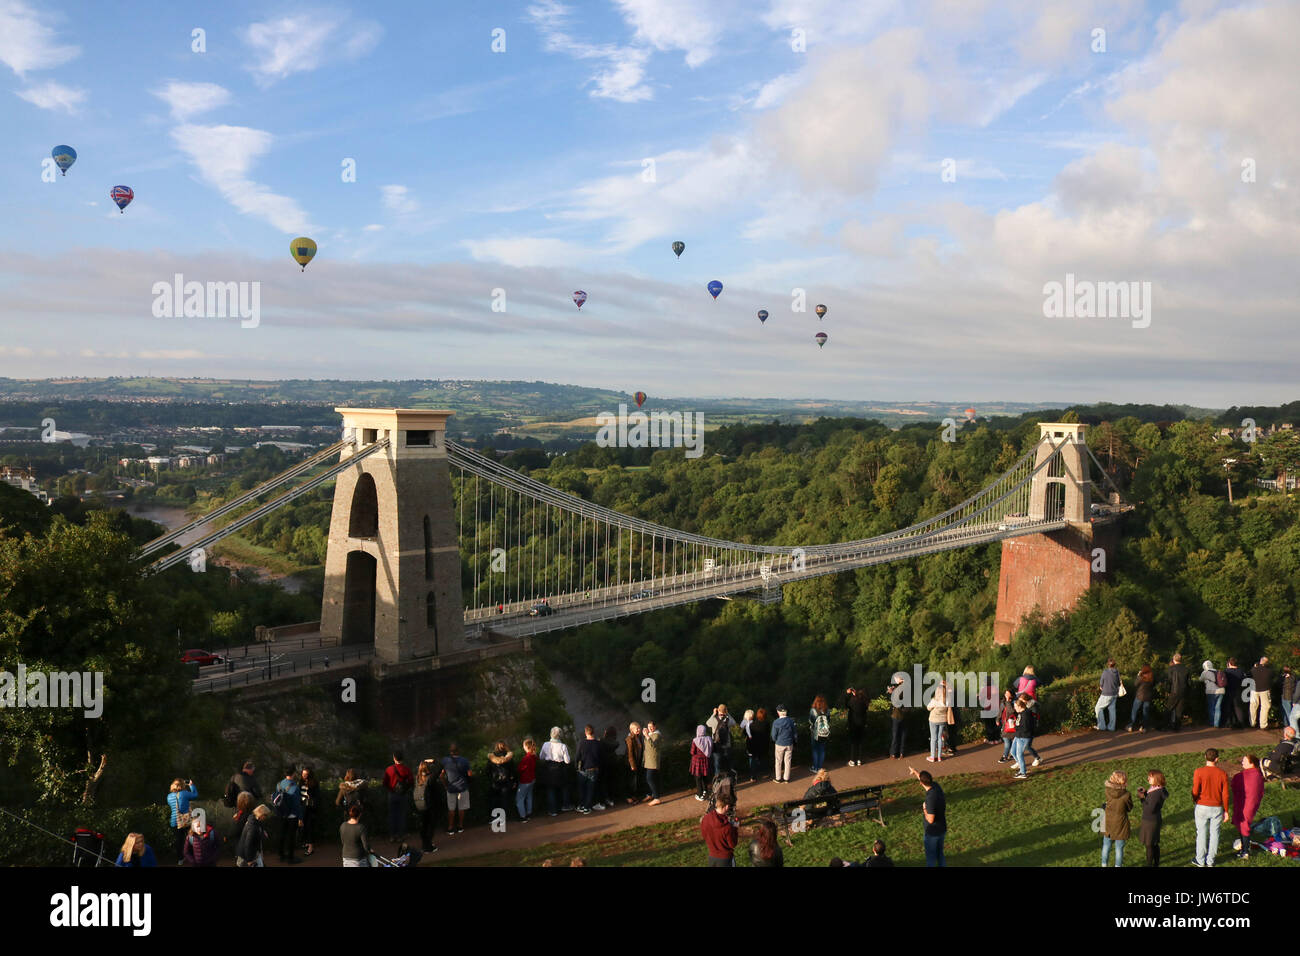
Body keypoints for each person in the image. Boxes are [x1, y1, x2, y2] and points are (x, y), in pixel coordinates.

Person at [1191, 748, 1231, 867]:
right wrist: (1226, 810)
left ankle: (1200, 860)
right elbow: (1225, 794)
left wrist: (1195, 800)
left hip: (1201, 806)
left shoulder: (1198, 771)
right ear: (1217, 759)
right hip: (1217, 807)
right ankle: (1210, 861)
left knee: (1201, 833)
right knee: (1215, 834)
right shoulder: (1222, 773)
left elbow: (1195, 790)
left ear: (1205, 757)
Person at [907, 766, 946, 867]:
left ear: (921, 783)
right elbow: (923, 779)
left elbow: (930, 819)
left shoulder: (930, 799)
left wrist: (924, 808)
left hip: (933, 832)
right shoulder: (936, 786)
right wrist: (915, 772)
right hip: (942, 828)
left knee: (931, 857)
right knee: (940, 854)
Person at [1230, 753, 1264, 859]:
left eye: (1245, 761)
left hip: (1246, 805)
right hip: (1250, 804)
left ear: (1252, 764)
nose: (1242, 762)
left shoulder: (1244, 776)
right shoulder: (1258, 775)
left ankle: (1245, 851)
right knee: (1243, 825)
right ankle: (1245, 847)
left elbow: (1234, 785)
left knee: (1244, 825)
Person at [1100, 770, 1132, 867]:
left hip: (1108, 822)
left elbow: (1108, 802)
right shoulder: (1127, 795)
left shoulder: (1107, 791)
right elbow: (1129, 808)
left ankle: (1104, 864)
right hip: (1121, 824)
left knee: (1106, 846)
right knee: (1119, 848)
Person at [439, 743, 472, 833]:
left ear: (450, 752)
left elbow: (441, 775)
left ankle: (450, 827)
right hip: (462, 787)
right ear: (458, 751)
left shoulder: (445, 761)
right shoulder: (464, 761)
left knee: (451, 809)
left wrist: (445, 785)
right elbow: (469, 774)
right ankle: (460, 826)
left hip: (451, 788)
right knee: (461, 808)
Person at [272, 767, 302, 863]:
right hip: (292, 815)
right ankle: (290, 857)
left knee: (281, 834)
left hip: (281, 814)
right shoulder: (295, 787)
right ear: (293, 774)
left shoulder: (279, 784)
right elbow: (297, 804)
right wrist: (300, 817)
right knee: (291, 836)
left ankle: (281, 855)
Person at [383, 750, 414, 843]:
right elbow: (411, 782)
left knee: (392, 815)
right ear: (402, 758)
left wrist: (391, 789)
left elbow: (385, 783)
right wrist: (405, 789)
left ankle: (392, 836)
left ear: (394, 758)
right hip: (402, 795)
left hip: (392, 794)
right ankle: (400, 835)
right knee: (401, 815)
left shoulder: (389, 769)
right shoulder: (406, 769)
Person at [1137, 770, 1166, 867]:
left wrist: (1142, 798)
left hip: (1150, 821)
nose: (1148, 778)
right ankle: (1156, 864)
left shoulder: (1156, 793)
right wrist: (1145, 794)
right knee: (1154, 843)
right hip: (1154, 820)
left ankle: (1150, 864)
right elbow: (1151, 803)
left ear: (1157, 779)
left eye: (1150, 777)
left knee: (1149, 845)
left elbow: (1149, 809)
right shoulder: (1156, 789)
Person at [166, 777, 198, 865]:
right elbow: (195, 795)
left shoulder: (169, 796)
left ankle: (180, 859)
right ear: (182, 785)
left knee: (179, 841)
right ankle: (193, 856)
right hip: (186, 821)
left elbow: (172, 806)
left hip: (175, 821)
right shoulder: (184, 793)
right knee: (191, 837)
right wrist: (191, 785)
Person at [539, 727, 571, 817]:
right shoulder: (563, 746)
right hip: (560, 769)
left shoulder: (545, 744)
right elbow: (567, 761)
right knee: (564, 787)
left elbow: (541, 757)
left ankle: (553, 811)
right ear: (560, 735)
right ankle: (565, 806)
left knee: (550, 790)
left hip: (549, 769)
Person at [700, 793, 739, 867]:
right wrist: (735, 829)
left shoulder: (705, 819)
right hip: (725, 859)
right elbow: (732, 844)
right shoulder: (727, 827)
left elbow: (704, 835)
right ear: (726, 807)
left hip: (712, 857)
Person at [413, 758, 440, 852]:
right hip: (430, 805)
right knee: (430, 826)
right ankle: (428, 846)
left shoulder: (417, 778)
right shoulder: (430, 779)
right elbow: (441, 767)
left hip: (420, 805)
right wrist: (433, 760)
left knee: (423, 826)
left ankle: (424, 844)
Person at [487, 740, 518, 817]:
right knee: (504, 800)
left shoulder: (492, 757)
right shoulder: (508, 757)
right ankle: (503, 816)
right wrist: (514, 781)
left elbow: (487, 770)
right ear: (505, 746)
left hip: (495, 782)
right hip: (506, 782)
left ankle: (494, 817)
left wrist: (491, 778)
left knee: (494, 800)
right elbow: (513, 770)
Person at [576, 725, 601, 813]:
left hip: (583, 769)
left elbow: (577, 756)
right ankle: (587, 807)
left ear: (585, 732)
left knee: (582, 789)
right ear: (593, 732)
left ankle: (581, 805)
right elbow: (600, 757)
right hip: (593, 769)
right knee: (590, 789)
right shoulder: (598, 743)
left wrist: (577, 767)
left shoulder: (581, 743)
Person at [706, 704, 736, 779]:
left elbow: (707, 723)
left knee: (717, 765)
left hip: (717, 746)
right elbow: (734, 723)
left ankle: (718, 781)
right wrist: (727, 713)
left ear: (718, 710)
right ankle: (729, 781)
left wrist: (713, 713)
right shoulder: (728, 720)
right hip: (727, 745)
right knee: (728, 765)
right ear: (726, 711)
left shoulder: (714, 719)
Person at [339, 803, 372, 867]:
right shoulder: (361, 828)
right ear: (360, 814)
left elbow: (343, 841)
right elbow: (366, 847)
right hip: (359, 858)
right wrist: (370, 850)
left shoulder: (343, 825)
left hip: (346, 857)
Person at [298, 766, 320, 857]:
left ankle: (311, 847)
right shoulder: (300, 782)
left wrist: (310, 799)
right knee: (303, 826)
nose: (304, 776)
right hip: (302, 807)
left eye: (306, 774)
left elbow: (317, 796)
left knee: (310, 826)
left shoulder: (314, 783)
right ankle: (307, 842)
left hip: (310, 808)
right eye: (303, 774)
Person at [771, 705, 797, 782]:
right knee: (788, 761)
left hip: (779, 743)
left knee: (778, 761)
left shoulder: (776, 722)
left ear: (778, 712)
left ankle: (778, 778)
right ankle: (786, 778)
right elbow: (795, 733)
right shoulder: (791, 721)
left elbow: (773, 735)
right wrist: (795, 741)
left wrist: (775, 740)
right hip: (789, 743)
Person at [1164, 653, 1189, 731]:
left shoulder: (1171, 668)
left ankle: (1165, 726)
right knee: (1179, 710)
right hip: (1183, 691)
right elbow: (1189, 682)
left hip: (1174, 691)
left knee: (1168, 708)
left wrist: (1167, 691)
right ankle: (1177, 727)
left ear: (1174, 659)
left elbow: (1169, 681)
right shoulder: (1186, 669)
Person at [844, 688, 868, 765]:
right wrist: (856, 694)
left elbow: (845, 704)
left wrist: (848, 694)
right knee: (860, 742)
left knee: (853, 742)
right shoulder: (864, 702)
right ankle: (859, 759)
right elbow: (865, 700)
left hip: (853, 724)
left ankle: (852, 760)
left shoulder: (853, 701)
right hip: (862, 724)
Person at [1011, 697, 1034, 779]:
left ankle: (1023, 773)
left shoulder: (1026, 715)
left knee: (1019, 754)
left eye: (1015, 706)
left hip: (1023, 737)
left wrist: (1016, 727)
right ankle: (1022, 768)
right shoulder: (1020, 713)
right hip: (1018, 736)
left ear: (1020, 706)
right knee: (1013, 752)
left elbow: (1025, 728)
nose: (1014, 708)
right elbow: (1020, 724)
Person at [927, 681, 950, 763]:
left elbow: (928, 708)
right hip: (943, 720)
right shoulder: (947, 700)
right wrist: (945, 685)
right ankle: (939, 757)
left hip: (933, 720)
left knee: (933, 738)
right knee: (940, 738)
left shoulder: (934, 700)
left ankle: (933, 757)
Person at [596, 726, 619, 809]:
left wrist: (600, 739)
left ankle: (603, 800)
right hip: (613, 764)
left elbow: (601, 743)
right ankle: (611, 799)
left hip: (603, 764)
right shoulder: (615, 743)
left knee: (603, 783)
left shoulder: (602, 741)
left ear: (606, 732)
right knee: (611, 782)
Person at [1096, 659, 1121, 731]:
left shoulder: (1105, 672)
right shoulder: (1117, 672)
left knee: (1098, 708)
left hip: (1106, 694)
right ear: (1114, 664)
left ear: (1108, 664)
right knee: (1112, 710)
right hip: (1115, 694)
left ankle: (1101, 726)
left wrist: (1103, 688)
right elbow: (1119, 683)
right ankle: (1111, 727)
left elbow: (1101, 684)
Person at [1128, 665, 1154, 732]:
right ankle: (1144, 727)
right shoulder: (1151, 678)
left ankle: (1130, 725)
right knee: (1145, 712)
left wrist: (1138, 675)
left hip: (1139, 696)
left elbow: (1135, 684)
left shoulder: (1141, 677)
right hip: (1148, 697)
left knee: (1134, 711)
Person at [517, 738, 538, 820]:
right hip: (532, 779)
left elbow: (520, 769)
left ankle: (523, 816)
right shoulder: (533, 756)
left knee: (519, 799)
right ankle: (529, 813)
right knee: (529, 796)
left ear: (526, 746)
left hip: (525, 780)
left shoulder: (526, 758)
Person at [809, 694, 831, 773]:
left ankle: (815, 768)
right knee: (822, 750)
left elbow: (811, 721)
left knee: (815, 750)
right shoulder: (827, 710)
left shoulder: (813, 710)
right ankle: (820, 767)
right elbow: (828, 721)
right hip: (824, 733)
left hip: (815, 733)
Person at [1251, 657, 1274, 730]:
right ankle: (1263, 724)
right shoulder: (1269, 671)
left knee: (1253, 706)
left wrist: (1254, 667)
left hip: (1254, 689)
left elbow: (1249, 674)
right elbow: (1271, 679)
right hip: (1265, 689)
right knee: (1265, 706)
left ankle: (1252, 722)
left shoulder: (1254, 670)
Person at [642, 721, 663, 805]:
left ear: (655, 727)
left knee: (649, 778)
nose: (650, 728)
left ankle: (657, 798)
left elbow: (652, 745)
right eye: (648, 726)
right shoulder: (651, 735)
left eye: (651, 726)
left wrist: (646, 735)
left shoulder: (657, 735)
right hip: (649, 760)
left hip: (653, 761)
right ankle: (652, 794)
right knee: (653, 778)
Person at [1200, 660, 1225, 728]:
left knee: (1211, 707)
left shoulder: (1205, 672)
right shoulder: (1217, 671)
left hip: (1211, 691)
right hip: (1221, 690)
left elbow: (1200, 679)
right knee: (1218, 708)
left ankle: (1212, 723)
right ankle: (1217, 724)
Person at [230, 791, 255, 858]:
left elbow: (237, 830)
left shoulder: (242, 816)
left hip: (241, 844)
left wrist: (227, 836)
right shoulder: (252, 814)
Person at [690, 724, 712, 800]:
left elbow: (692, 752)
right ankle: (705, 791)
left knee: (698, 778)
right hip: (706, 760)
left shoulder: (695, 740)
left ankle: (700, 795)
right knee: (705, 776)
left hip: (697, 761)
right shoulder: (709, 738)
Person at [624, 723, 645, 803]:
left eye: (639, 728)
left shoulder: (638, 737)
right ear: (632, 730)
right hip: (630, 764)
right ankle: (628, 797)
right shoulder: (630, 739)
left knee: (635, 781)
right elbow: (630, 753)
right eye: (637, 728)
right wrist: (632, 765)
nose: (639, 730)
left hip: (637, 762)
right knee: (631, 781)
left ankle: (633, 796)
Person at [748, 708, 771, 781]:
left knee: (753, 761)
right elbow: (768, 734)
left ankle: (753, 776)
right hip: (764, 744)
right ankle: (766, 773)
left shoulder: (752, 724)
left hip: (754, 745)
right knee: (764, 759)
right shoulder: (767, 724)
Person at [887, 676, 906, 759]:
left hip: (897, 714)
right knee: (903, 734)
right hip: (905, 714)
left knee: (895, 735)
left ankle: (893, 753)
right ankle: (901, 753)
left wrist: (892, 692)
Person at [1225, 658, 1248, 729]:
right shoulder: (1240, 671)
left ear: (1229, 663)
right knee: (1238, 707)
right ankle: (1240, 722)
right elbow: (1244, 680)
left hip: (1228, 690)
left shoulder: (1226, 671)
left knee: (1229, 707)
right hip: (1238, 690)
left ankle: (1229, 722)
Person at [996, 690, 1017, 763]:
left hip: (1012, 724)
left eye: (1008, 693)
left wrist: (1008, 701)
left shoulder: (1015, 702)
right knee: (1007, 740)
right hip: (1005, 724)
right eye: (1005, 693)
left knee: (1008, 741)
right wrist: (997, 719)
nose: (1006, 694)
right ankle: (1012, 754)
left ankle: (1005, 756)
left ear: (1012, 694)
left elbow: (1011, 711)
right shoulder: (1003, 702)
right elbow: (1000, 711)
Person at [978, 676, 1000, 744]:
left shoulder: (984, 689)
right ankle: (997, 739)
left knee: (988, 725)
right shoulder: (996, 688)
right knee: (994, 724)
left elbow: (980, 698)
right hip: (995, 708)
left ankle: (990, 739)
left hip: (987, 708)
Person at [1282, 665, 1296, 730]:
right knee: (1286, 711)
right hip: (1291, 695)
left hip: (1285, 696)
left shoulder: (1285, 677)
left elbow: (1280, 683)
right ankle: (1286, 725)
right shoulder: (1294, 676)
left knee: (1288, 712)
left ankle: (1291, 726)